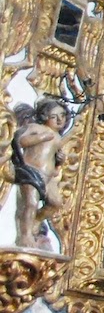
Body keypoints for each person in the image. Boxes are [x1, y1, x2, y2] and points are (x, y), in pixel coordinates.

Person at [12, 98, 71, 249]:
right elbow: (20, 141)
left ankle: (36, 220)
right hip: (31, 172)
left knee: (56, 203)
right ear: (44, 117)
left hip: (48, 177)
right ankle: (25, 235)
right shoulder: (36, 128)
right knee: (31, 203)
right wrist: (40, 138)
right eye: (54, 116)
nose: (59, 120)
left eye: (62, 116)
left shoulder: (58, 137)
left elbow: (55, 162)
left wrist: (60, 160)